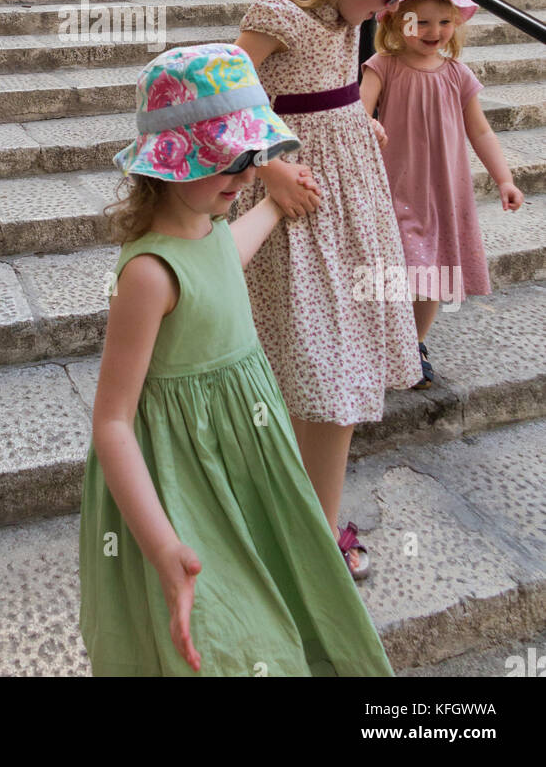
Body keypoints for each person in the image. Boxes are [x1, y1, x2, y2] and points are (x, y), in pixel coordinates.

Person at [79, 42, 395, 677]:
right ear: (169, 162)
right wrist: (161, 543)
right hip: (181, 469)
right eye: (227, 160)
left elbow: (229, 256)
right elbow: (112, 422)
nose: (248, 174)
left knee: (267, 593)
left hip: (245, 447)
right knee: (217, 632)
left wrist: (278, 204)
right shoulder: (147, 273)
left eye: (253, 157)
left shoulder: (209, 226)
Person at [230, 0, 432, 579]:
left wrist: (354, 116)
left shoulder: (349, 16)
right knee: (313, 360)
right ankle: (299, 525)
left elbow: (329, 89)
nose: (388, 7)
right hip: (297, 198)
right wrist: (268, 165)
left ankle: (307, 520)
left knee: (335, 364)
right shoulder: (277, 14)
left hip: (350, 200)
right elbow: (225, 93)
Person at [360, 0, 524, 388]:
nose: (433, 31)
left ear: (457, 23)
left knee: (431, 271)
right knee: (394, 265)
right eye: (421, 21)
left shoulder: (458, 75)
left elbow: (481, 130)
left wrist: (504, 178)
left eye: (444, 21)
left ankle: (414, 343)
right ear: (397, 21)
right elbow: (358, 110)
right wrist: (367, 123)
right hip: (395, 185)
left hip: (443, 190)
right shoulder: (384, 65)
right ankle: (383, 337)